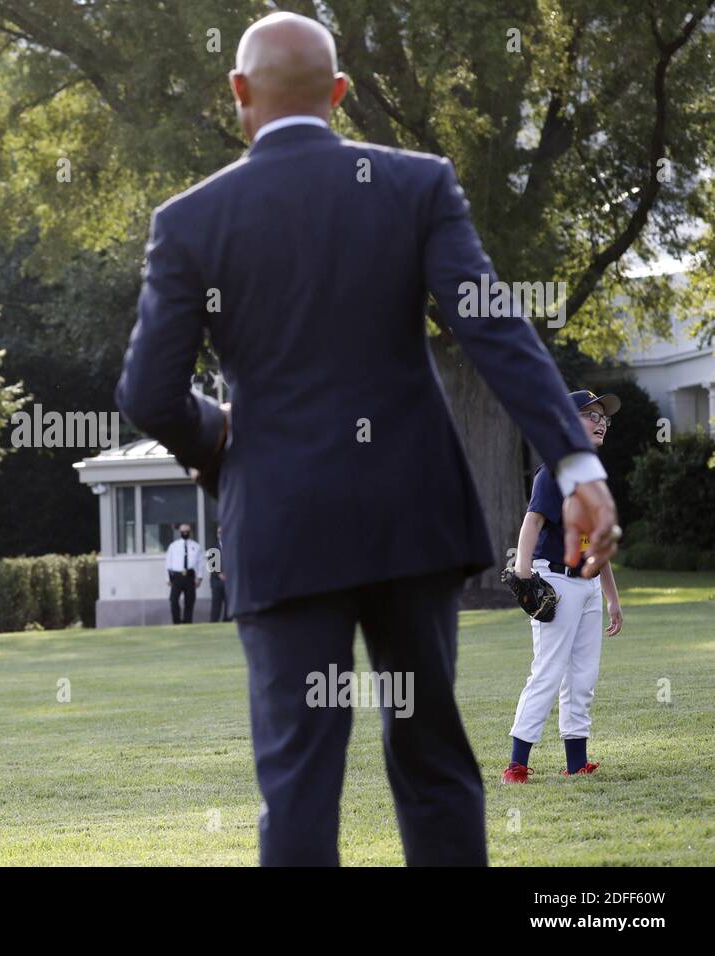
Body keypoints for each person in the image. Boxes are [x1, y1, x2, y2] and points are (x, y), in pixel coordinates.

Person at [113, 12, 620, 866]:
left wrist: (229, 445)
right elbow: (495, 329)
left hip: (280, 520)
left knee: (298, 784)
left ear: (238, 92)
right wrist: (575, 462)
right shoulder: (417, 185)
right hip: (409, 515)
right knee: (432, 765)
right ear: (341, 94)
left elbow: (148, 396)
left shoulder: (193, 219)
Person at [503, 391, 624, 783]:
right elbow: (532, 522)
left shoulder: (592, 479)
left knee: (583, 676)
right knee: (548, 671)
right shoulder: (554, 471)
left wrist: (612, 599)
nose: (601, 421)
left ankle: (576, 763)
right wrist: (523, 574)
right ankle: (517, 764)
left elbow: (598, 544)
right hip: (554, 579)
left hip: (587, 586)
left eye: (603, 416)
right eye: (590, 414)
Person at [165, 522, 204, 624]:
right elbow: (168, 563)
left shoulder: (196, 546)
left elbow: (200, 563)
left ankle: (187, 622)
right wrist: (168, 578)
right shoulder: (173, 546)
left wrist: (199, 578)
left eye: (187, 531)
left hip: (190, 576)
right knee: (173, 600)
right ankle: (176, 622)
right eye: (183, 531)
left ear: (190, 532)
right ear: (179, 532)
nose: (185, 533)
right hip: (177, 576)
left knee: (189, 601)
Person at [210, 528, 231, 622]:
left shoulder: (233, 547)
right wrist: (220, 574)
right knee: (216, 605)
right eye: (219, 532)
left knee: (229, 605)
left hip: (230, 582)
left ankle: (227, 623)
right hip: (217, 582)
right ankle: (213, 624)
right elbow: (211, 566)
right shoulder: (213, 548)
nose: (221, 534)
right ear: (217, 534)